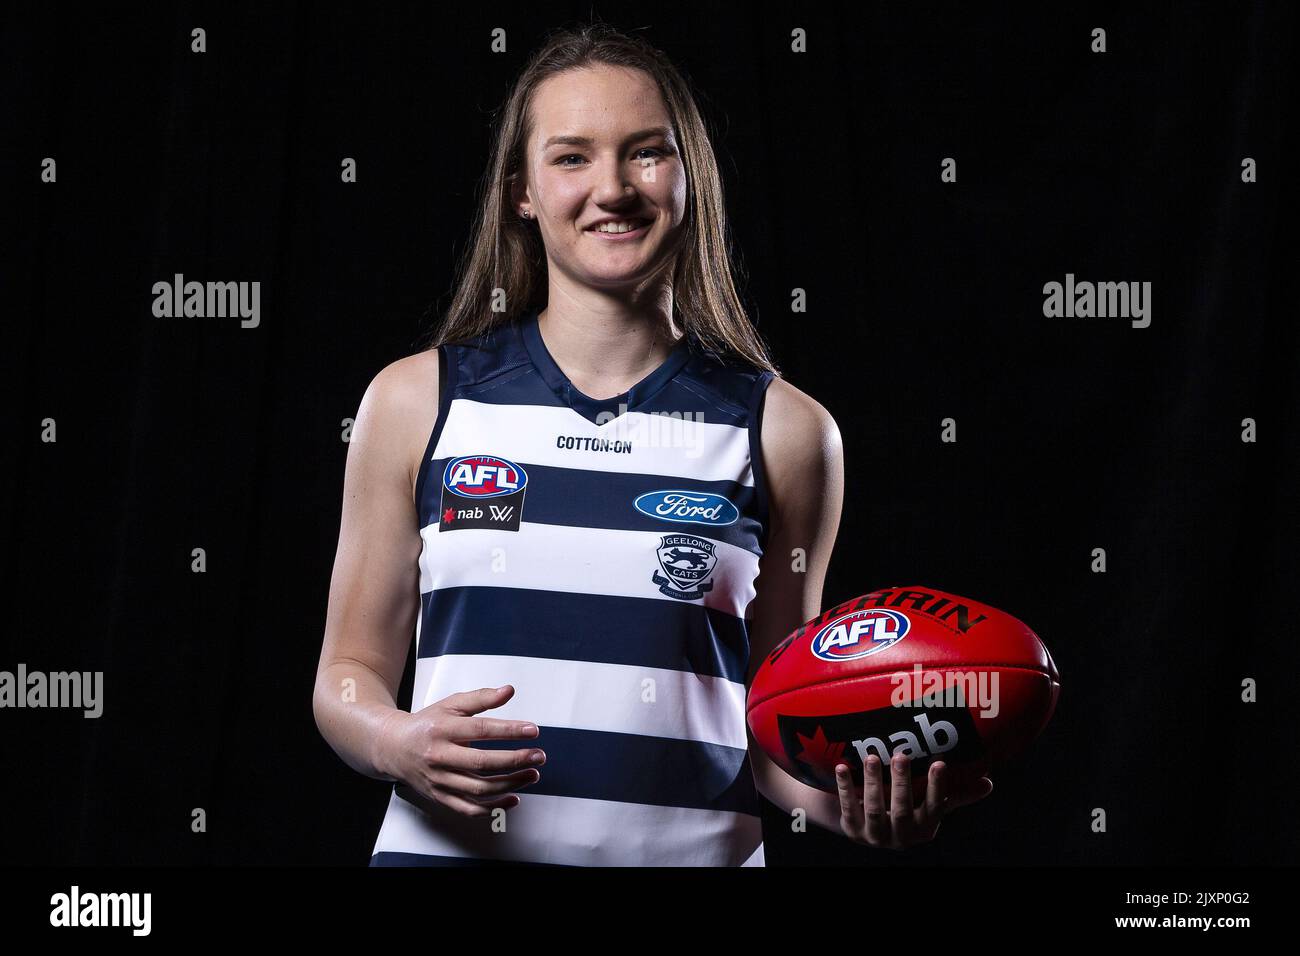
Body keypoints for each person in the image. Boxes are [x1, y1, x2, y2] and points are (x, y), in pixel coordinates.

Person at [312, 22, 992, 866]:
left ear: (688, 176)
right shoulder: (419, 401)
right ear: (521, 191)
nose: (613, 189)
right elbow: (347, 673)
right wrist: (393, 740)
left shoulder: (786, 430)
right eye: (572, 157)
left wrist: (854, 805)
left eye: (645, 153)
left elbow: (774, 725)